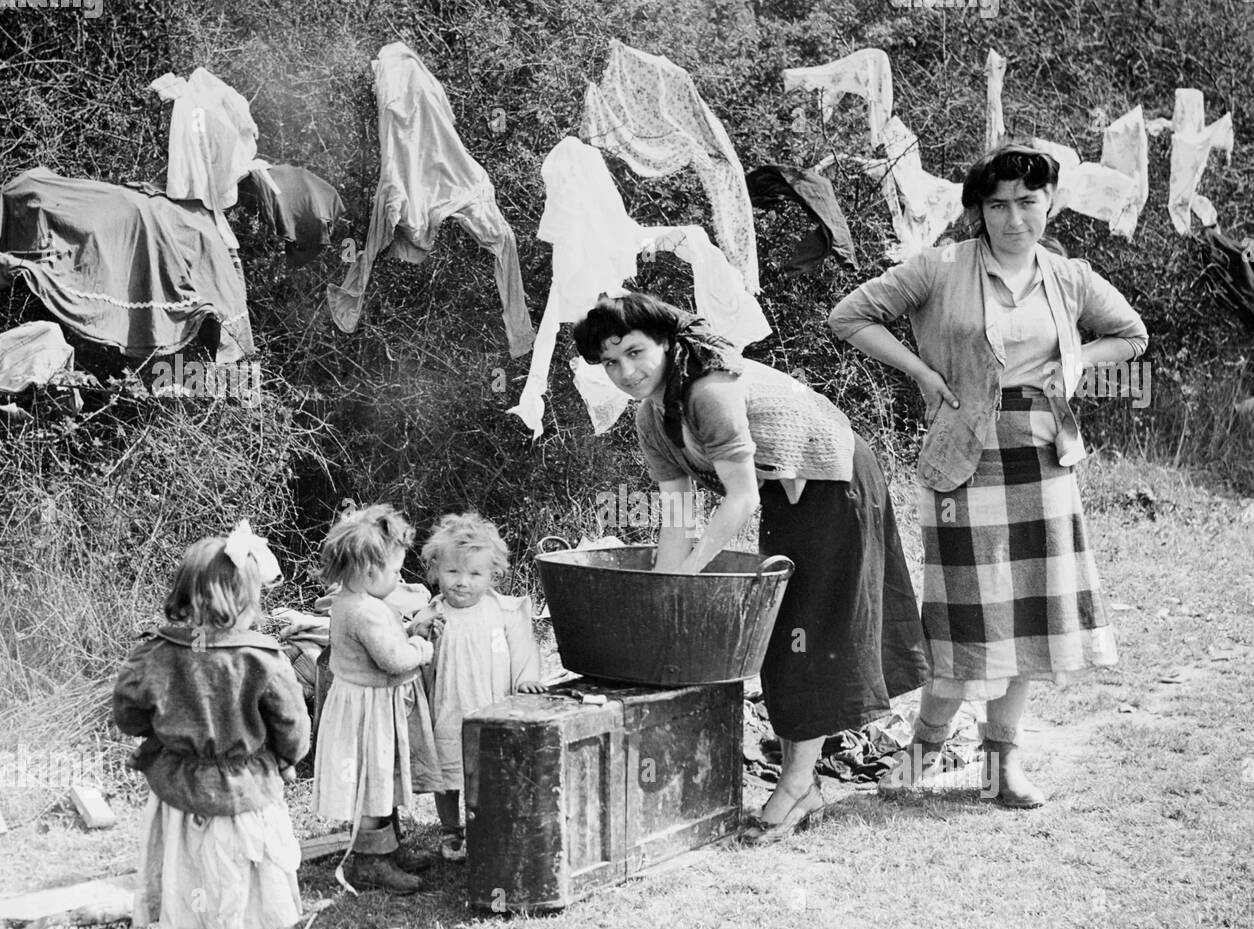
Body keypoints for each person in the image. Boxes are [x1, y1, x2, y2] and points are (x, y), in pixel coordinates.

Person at [828, 142, 1149, 807]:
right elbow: (849, 315)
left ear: (1048, 202)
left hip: (1041, 457)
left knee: (1028, 618)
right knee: (965, 622)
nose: (1013, 218)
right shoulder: (941, 266)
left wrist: (1080, 361)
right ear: (978, 209)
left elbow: (1131, 334)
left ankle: (1004, 767)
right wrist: (921, 371)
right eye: (997, 204)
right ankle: (925, 750)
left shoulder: (1068, 275)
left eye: (1028, 201)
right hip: (962, 458)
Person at [572, 291, 931, 845]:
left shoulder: (708, 392)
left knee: (803, 632)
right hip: (787, 491)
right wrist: (667, 594)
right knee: (782, 634)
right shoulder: (651, 416)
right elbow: (677, 515)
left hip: (834, 480)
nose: (626, 371)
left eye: (637, 353)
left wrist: (692, 575)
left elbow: (740, 500)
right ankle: (801, 782)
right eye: (611, 363)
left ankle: (796, 789)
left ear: (667, 344)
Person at [113, 521, 309, 929]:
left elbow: (127, 712)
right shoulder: (261, 657)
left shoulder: (157, 653)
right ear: (245, 598)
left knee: (191, 878)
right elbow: (292, 725)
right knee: (248, 878)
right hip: (246, 791)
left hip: (180, 788)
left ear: (187, 592)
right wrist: (287, 759)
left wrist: (163, 734)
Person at [312, 504, 438, 892]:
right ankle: (370, 862)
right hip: (368, 712)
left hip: (370, 705)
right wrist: (420, 646)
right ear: (369, 571)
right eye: (396, 572)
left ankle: (389, 848)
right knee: (372, 785)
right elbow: (393, 660)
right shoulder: (363, 612)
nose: (400, 579)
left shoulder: (353, 601)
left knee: (383, 780)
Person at [412, 512, 547, 861]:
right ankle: (450, 828)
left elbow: (523, 650)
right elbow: (416, 654)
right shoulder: (433, 613)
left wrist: (526, 678)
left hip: (489, 703)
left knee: (485, 771)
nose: (462, 582)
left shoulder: (504, 611)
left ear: (492, 575)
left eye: (475, 574)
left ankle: (481, 827)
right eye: (452, 571)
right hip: (448, 706)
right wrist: (420, 632)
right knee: (448, 769)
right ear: (435, 570)